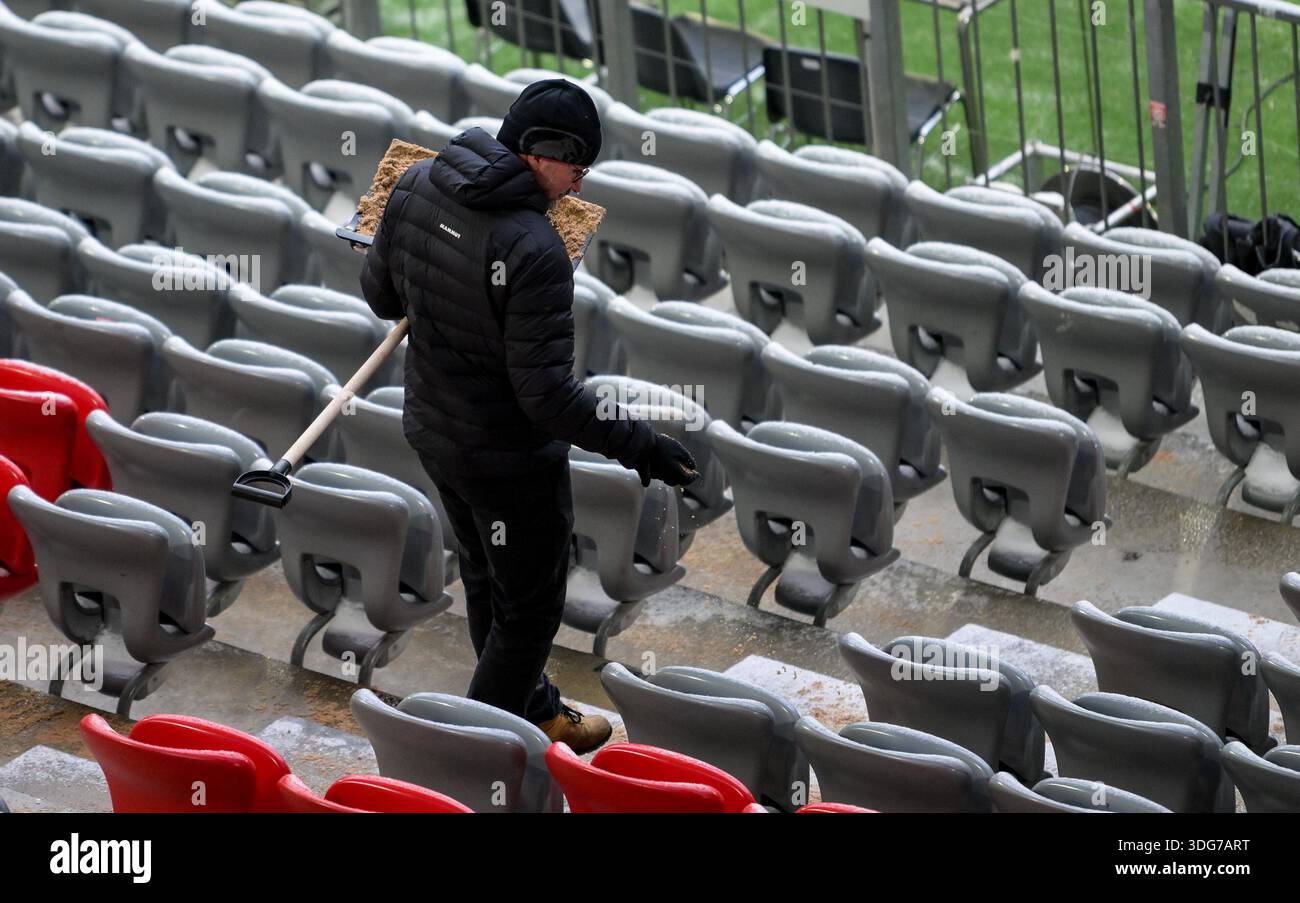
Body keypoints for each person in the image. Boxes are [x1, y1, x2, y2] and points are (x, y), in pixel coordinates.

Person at [359, 79, 699, 753]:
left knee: (489, 578)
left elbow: (379, 295)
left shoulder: (418, 183)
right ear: (544, 152)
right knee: (531, 609)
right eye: (579, 166)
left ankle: (535, 709)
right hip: (505, 460)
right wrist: (641, 445)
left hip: (435, 431)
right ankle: (463, 755)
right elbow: (545, 397)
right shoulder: (535, 249)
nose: (580, 184)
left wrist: (431, 273)